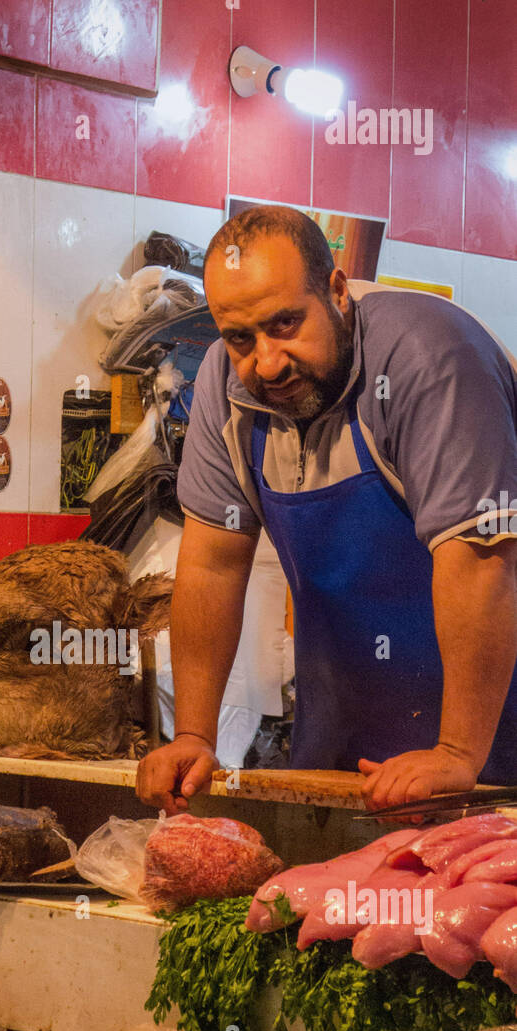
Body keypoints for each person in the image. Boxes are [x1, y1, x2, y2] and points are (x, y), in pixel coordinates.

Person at [137, 204, 517, 815]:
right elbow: (212, 564)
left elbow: (481, 560)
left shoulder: (430, 358)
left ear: (337, 290)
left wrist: (456, 752)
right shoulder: (223, 386)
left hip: (494, 744)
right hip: (343, 745)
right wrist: (194, 735)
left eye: (285, 324)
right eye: (239, 337)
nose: (266, 362)